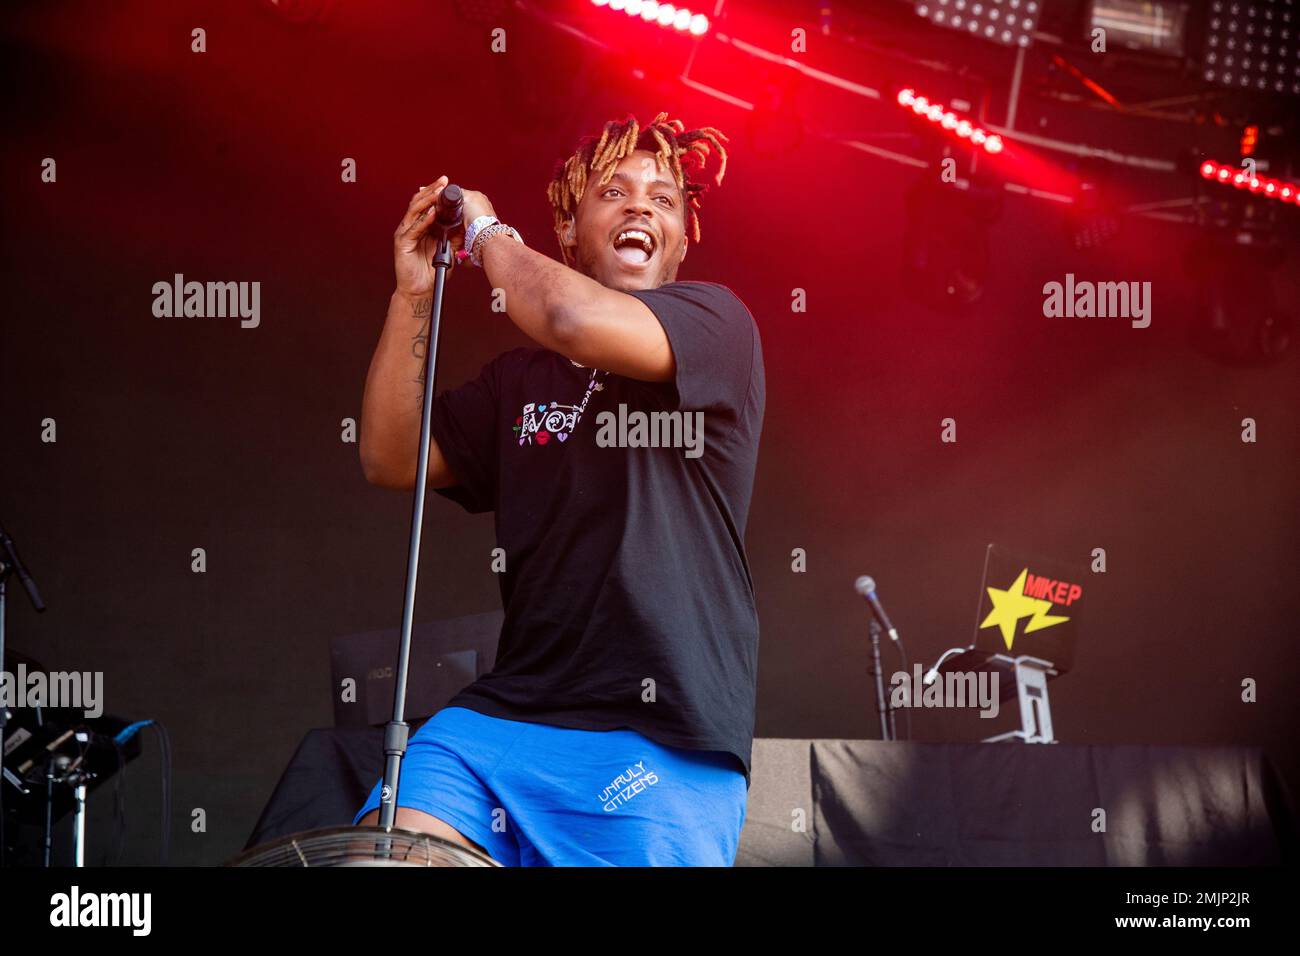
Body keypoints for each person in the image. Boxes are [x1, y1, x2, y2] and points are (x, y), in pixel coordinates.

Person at [353, 111, 765, 866]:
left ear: (677, 246)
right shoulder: (519, 382)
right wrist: (415, 293)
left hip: (660, 730)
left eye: (664, 200)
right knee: (387, 855)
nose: (643, 205)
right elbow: (390, 456)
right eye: (615, 191)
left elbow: (570, 315)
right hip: (505, 719)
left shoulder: (716, 324)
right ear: (570, 232)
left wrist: (486, 236)